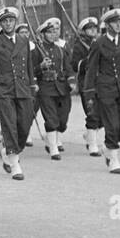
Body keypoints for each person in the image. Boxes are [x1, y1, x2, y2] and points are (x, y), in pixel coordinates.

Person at [0, 7, 35, 180]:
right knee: (9, 125)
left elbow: (29, 67)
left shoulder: (24, 41)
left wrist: (32, 87)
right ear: (0, 24)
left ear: (15, 22)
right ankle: (15, 163)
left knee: (25, 125)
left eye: (11, 20)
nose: (8, 23)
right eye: (5, 21)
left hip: (23, 88)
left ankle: (7, 151)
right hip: (4, 90)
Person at [81, 7, 120, 175]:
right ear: (107, 25)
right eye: (114, 22)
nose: (118, 25)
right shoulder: (99, 43)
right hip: (105, 90)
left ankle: (108, 146)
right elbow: (91, 70)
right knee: (112, 125)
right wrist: (89, 93)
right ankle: (113, 159)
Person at [35, 18, 74, 160]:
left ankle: (51, 138)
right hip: (46, 88)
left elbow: (68, 67)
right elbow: (31, 70)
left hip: (62, 87)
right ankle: (53, 148)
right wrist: (41, 67)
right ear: (43, 34)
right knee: (51, 119)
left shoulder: (60, 49)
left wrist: (71, 80)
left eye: (53, 32)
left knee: (62, 120)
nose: (52, 35)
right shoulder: (37, 50)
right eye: (49, 32)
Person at [70, 17, 102, 155]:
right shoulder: (79, 46)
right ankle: (93, 145)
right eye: (90, 28)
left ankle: (89, 134)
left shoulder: (100, 43)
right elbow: (75, 65)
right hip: (87, 83)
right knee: (92, 113)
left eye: (94, 28)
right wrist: (89, 60)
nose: (93, 30)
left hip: (101, 82)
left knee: (104, 114)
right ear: (83, 31)